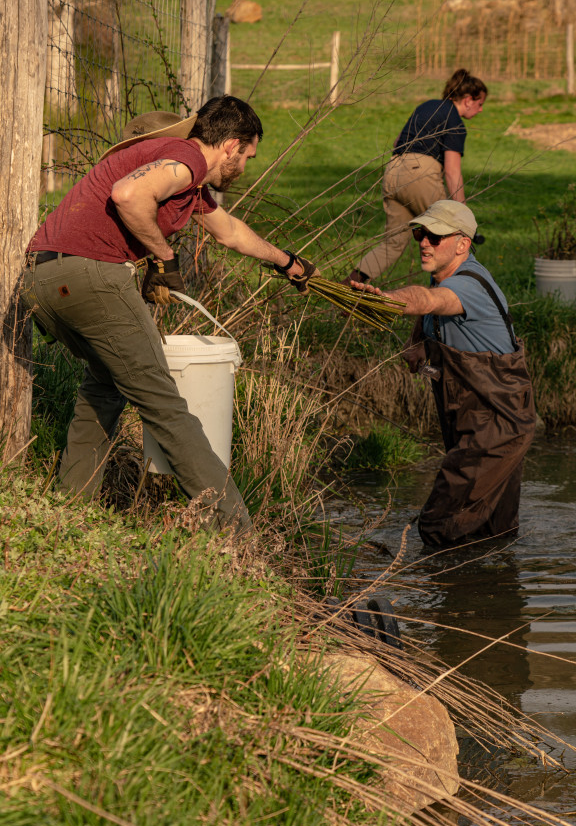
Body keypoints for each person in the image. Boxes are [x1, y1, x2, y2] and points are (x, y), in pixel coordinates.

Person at [21, 96, 318, 538]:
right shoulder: (186, 157)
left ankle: (70, 512)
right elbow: (128, 195)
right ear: (232, 145)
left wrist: (286, 262)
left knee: (105, 385)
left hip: (41, 280)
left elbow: (230, 231)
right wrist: (163, 257)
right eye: (248, 157)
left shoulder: (188, 185)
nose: (244, 167)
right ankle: (240, 535)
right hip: (91, 274)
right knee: (166, 407)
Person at [351, 199, 536, 548]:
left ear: (462, 244)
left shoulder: (467, 287)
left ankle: (443, 594)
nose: (423, 241)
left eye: (435, 236)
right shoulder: (446, 280)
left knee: (439, 524)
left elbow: (426, 300)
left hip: (497, 426)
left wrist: (382, 300)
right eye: (421, 233)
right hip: (480, 422)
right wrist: (417, 340)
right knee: (493, 531)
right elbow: (432, 303)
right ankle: (491, 593)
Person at [344, 69, 488, 285]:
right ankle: (441, 304)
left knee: (392, 244)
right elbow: (452, 171)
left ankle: (349, 287)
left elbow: (397, 142)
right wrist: (463, 216)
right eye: (480, 103)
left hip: (393, 172)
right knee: (450, 237)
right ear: (468, 100)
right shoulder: (455, 121)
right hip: (420, 173)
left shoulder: (426, 107)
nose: (481, 109)